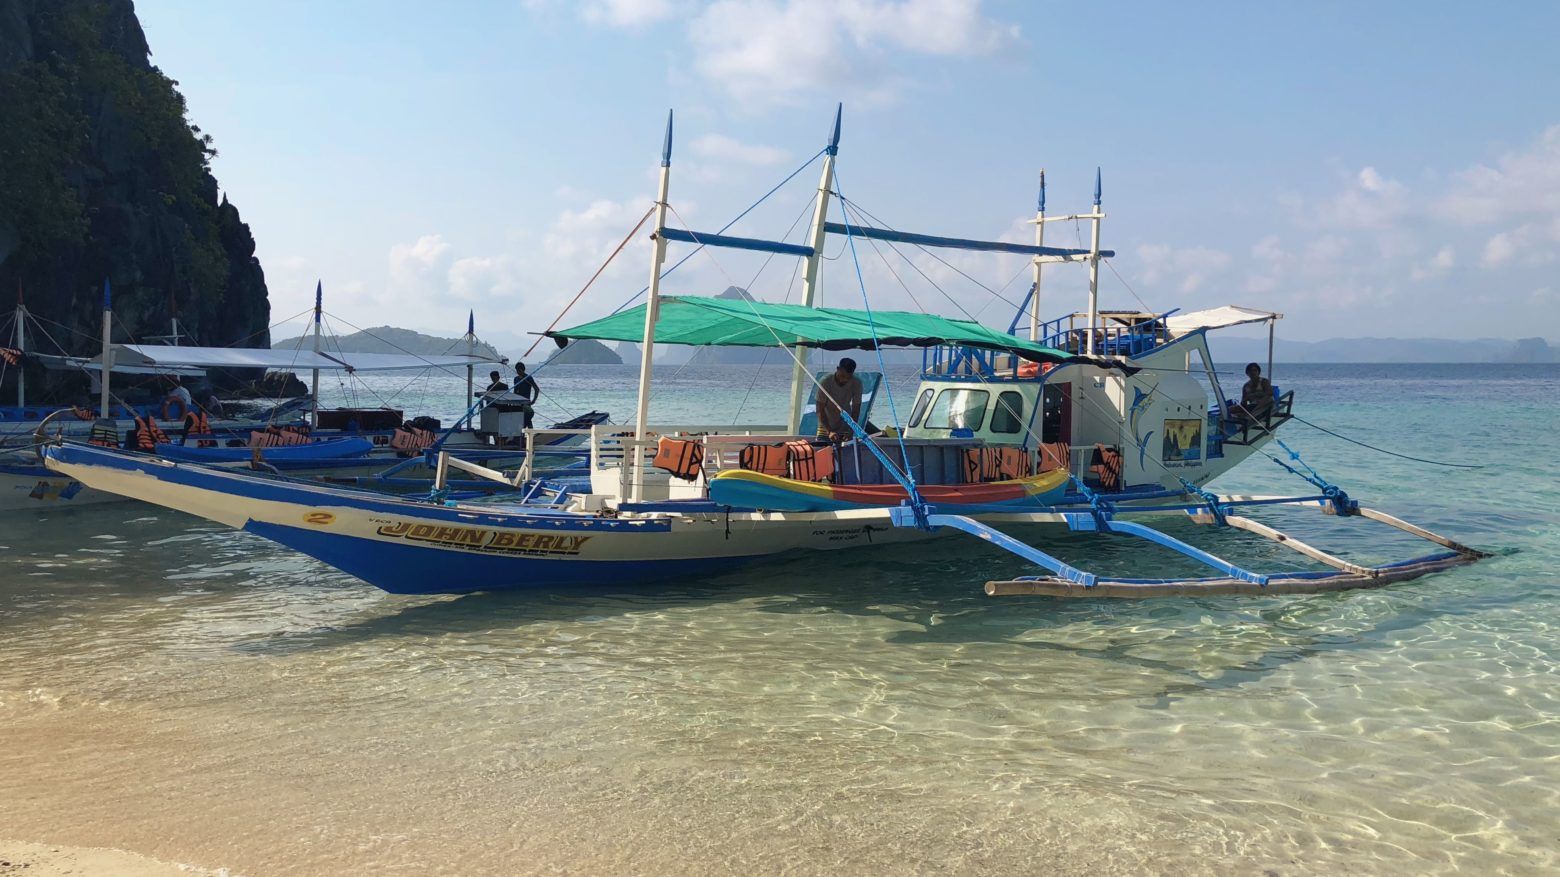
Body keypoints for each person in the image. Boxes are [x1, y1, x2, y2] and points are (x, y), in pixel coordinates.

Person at [815, 357, 863, 442]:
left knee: (843, 453)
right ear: (838, 369)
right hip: (825, 426)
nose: (844, 380)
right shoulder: (826, 381)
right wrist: (829, 431)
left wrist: (851, 431)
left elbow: (856, 410)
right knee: (824, 451)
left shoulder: (856, 383)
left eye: (848, 377)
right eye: (842, 376)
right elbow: (819, 409)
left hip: (844, 426)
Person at [513, 363, 538, 430]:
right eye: (517, 370)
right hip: (518, 403)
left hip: (526, 402)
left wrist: (533, 400)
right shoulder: (516, 379)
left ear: (522, 370)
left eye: (519, 370)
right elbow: (515, 391)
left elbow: (536, 389)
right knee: (520, 419)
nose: (518, 372)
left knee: (528, 417)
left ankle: (529, 434)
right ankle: (521, 435)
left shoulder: (528, 378)